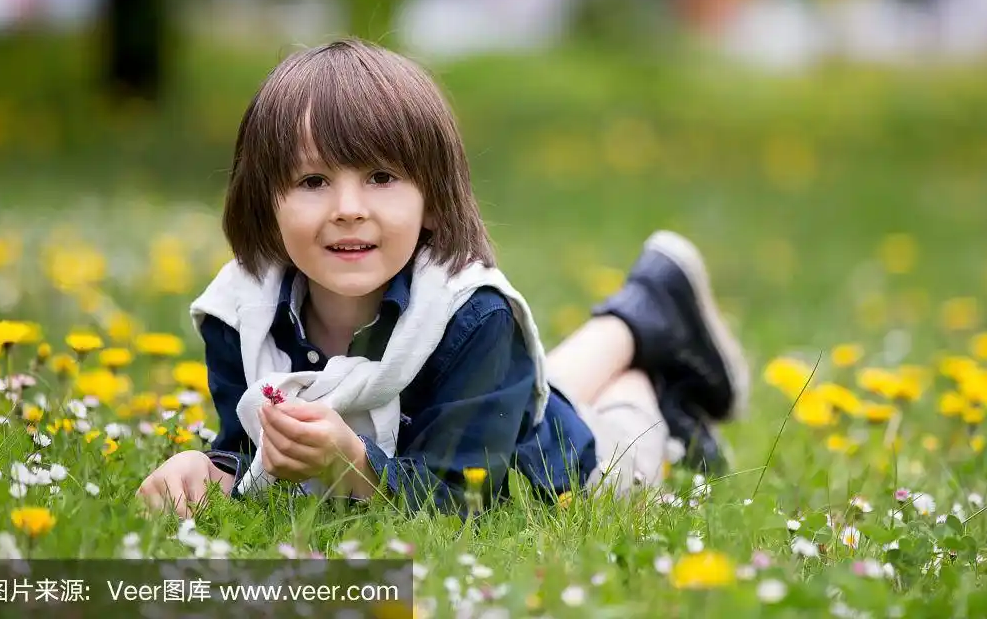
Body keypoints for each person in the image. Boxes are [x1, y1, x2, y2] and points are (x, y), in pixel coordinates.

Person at [136, 38, 750, 518]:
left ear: (434, 200)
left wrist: (357, 469)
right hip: (495, 403)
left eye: (381, 177)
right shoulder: (243, 317)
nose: (349, 207)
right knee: (532, 385)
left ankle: (650, 373)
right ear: (264, 203)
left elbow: (464, 500)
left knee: (622, 438)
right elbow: (251, 451)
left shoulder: (472, 317)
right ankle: (650, 307)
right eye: (313, 181)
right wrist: (211, 472)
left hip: (554, 464)